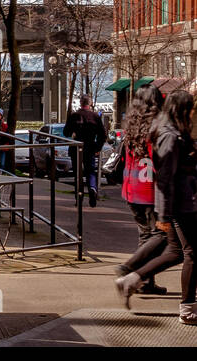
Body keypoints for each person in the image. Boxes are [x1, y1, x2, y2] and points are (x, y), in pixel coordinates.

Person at [117, 90, 197, 323]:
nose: (193, 111)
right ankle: (187, 308)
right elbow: (165, 178)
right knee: (186, 251)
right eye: (190, 107)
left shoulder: (159, 128)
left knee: (174, 251)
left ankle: (132, 278)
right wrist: (164, 213)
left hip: (150, 195)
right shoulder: (168, 134)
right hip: (174, 203)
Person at [117, 86, 168, 296]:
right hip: (150, 190)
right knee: (159, 236)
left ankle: (143, 279)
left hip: (132, 189)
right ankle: (138, 275)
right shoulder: (157, 128)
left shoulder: (131, 124)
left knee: (145, 236)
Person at [66, 94, 108, 206]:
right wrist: (97, 147)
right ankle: (92, 189)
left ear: (80, 103)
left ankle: (79, 197)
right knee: (91, 171)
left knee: (77, 173)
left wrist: (73, 133)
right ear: (90, 104)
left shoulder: (74, 116)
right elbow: (103, 135)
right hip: (90, 147)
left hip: (76, 147)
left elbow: (66, 132)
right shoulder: (95, 116)